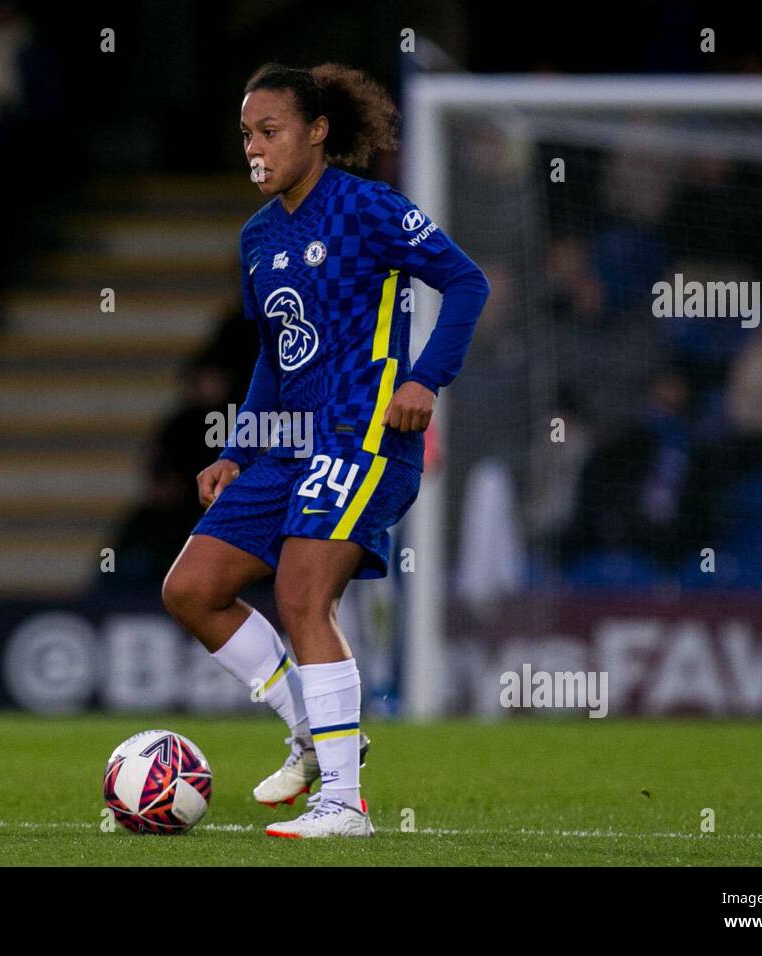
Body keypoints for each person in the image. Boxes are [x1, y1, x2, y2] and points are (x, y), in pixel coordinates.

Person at [160, 63, 490, 838]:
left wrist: (426, 380)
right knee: (192, 588)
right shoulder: (259, 236)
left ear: (317, 131)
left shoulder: (370, 209)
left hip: (366, 433)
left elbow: (466, 282)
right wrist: (239, 446)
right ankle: (312, 729)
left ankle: (343, 803)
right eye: (246, 134)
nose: (255, 148)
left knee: (305, 593)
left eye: (269, 131)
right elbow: (277, 355)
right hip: (285, 446)